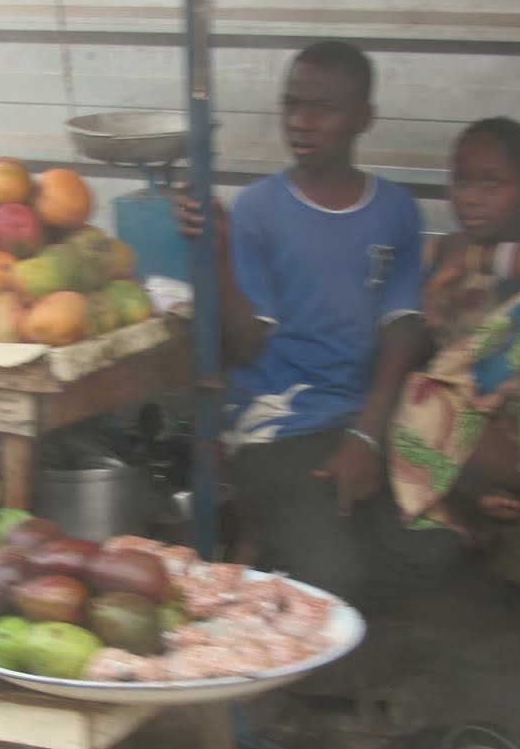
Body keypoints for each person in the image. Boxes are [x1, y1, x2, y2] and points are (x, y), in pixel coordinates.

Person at [178, 40, 439, 606]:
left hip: (358, 420)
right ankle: (275, 619)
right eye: (290, 105)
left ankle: (274, 573)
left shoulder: (394, 209)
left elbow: (402, 331)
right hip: (277, 429)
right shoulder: (257, 211)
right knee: (337, 575)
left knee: (433, 556)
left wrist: (366, 436)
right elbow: (247, 345)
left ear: (363, 118)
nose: (301, 123)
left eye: (322, 107)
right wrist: (218, 254)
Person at [384, 117, 520, 548]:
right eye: (461, 182)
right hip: (474, 421)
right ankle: (501, 496)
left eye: (492, 184)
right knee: (425, 403)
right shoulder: (439, 251)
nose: (472, 199)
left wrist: (476, 260)